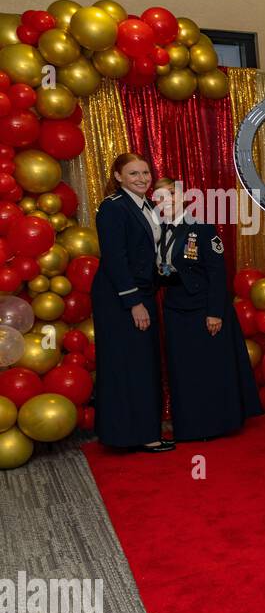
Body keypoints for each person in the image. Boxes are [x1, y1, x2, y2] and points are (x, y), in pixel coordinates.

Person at [153, 179, 261, 441]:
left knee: (210, 368)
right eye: (159, 197)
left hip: (203, 308)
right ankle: (190, 426)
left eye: (170, 195)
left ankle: (217, 424)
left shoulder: (202, 228)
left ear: (182, 198)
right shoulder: (159, 230)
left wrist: (215, 312)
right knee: (183, 370)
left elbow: (217, 272)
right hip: (175, 309)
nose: (165, 201)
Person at [89, 153, 171, 452]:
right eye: (134, 173)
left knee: (143, 363)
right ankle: (134, 436)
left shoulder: (146, 205)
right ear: (118, 176)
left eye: (146, 173)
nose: (142, 178)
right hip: (119, 298)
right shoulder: (112, 208)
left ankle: (141, 430)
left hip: (143, 292)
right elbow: (116, 260)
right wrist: (133, 302)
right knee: (128, 365)